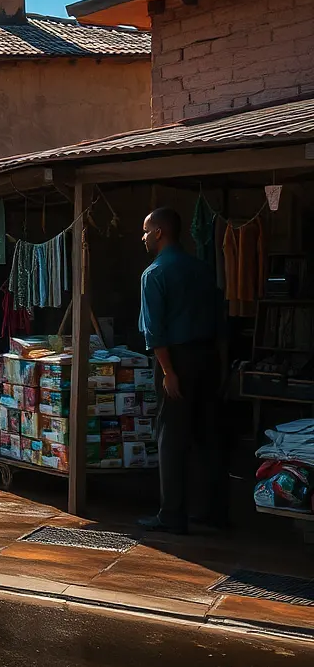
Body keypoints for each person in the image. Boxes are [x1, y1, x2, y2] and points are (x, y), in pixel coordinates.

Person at [138, 206, 224, 534]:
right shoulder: (201, 269)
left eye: (146, 231)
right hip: (208, 357)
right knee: (206, 435)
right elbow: (220, 319)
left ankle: (172, 514)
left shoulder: (155, 273)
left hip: (177, 360)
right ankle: (210, 511)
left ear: (160, 232)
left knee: (171, 436)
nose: (143, 237)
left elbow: (155, 330)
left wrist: (167, 371)